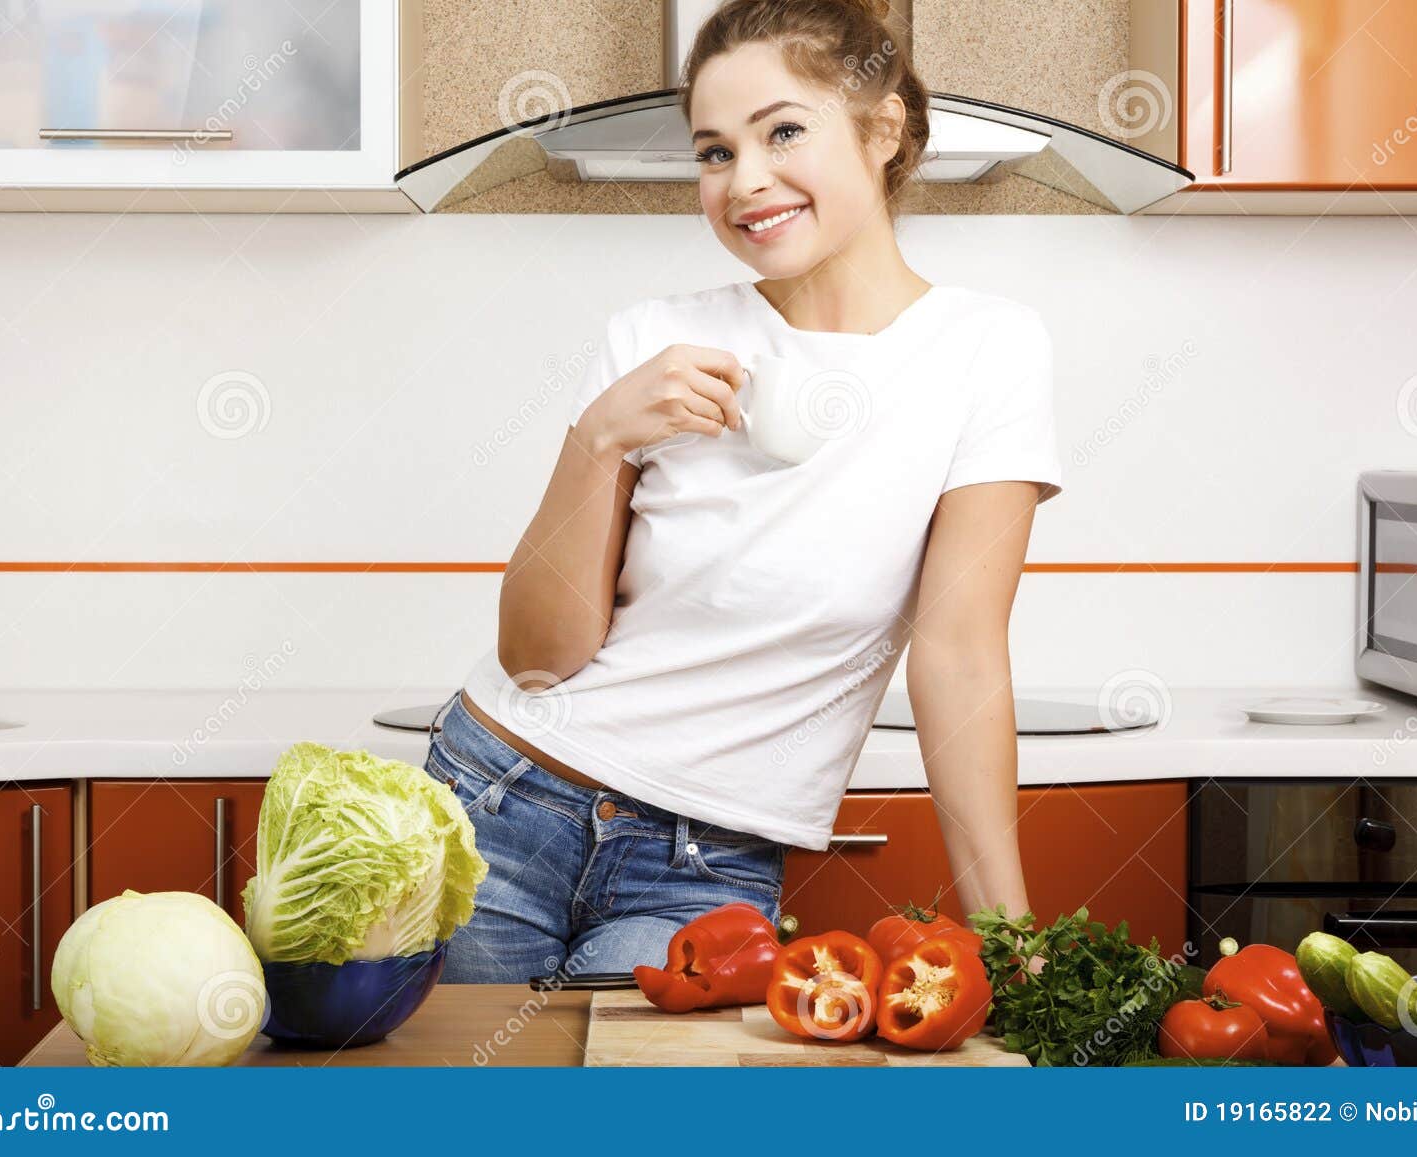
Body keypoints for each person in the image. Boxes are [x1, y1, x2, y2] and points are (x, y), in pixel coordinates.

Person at [427, 0, 1063, 983]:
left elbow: (959, 653)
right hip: (496, 799)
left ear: (883, 127)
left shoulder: (987, 349)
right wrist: (599, 438)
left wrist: (1012, 942)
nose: (746, 180)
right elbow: (538, 656)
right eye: (715, 151)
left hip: (702, 861)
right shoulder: (650, 338)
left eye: (783, 132)